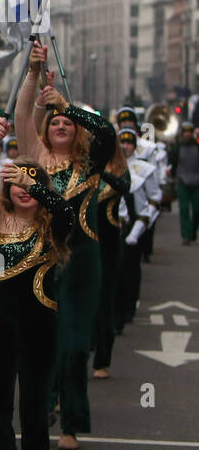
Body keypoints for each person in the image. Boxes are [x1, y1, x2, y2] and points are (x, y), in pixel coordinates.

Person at [16, 45, 116, 450]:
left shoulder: (91, 163)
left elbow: (107, 131)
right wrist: (34, 71)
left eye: (67, 122)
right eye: (54, 121)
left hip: (82, 263)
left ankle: (72, 422)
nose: (61, 125)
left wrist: (67, 105)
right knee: (43, 341)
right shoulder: (35, 159)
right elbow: (24, 115)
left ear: (76, 130)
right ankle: (45, 406)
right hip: (40, 260)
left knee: (75, 345)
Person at [0, 119, 74, 450]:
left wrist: (32, 181)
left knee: (33, 410)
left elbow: (66, 210)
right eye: (16, 181)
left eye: (31, 182)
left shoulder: (52, 228)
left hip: (39, 329)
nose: (23, 187)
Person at [91, 137, 131, 380]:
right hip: (84, 244)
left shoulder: (119, 170)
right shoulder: (82, 170)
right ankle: (83, 348)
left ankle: (102, 359)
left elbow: (123, 186)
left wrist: (101, 172)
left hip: (108, 246)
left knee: (105, 302)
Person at [113, 127, 161, 333]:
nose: (125, 146)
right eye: (121, 142)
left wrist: (136, 231)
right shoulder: (110, 167)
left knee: (130, 271)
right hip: (113, 228)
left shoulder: (145, 169)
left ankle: (127, 310)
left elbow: (152, 201)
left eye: (129, 142)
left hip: (134, 228)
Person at [170, 121, 199, 244]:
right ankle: (186, 235)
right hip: (182, 181)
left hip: (197, 182)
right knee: (184, 209)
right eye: (185, 132)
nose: (187, 134)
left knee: (197, 210)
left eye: (189, 132)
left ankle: (192, 232)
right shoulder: (178, 147)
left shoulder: (197, 147)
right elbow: (173, 163)